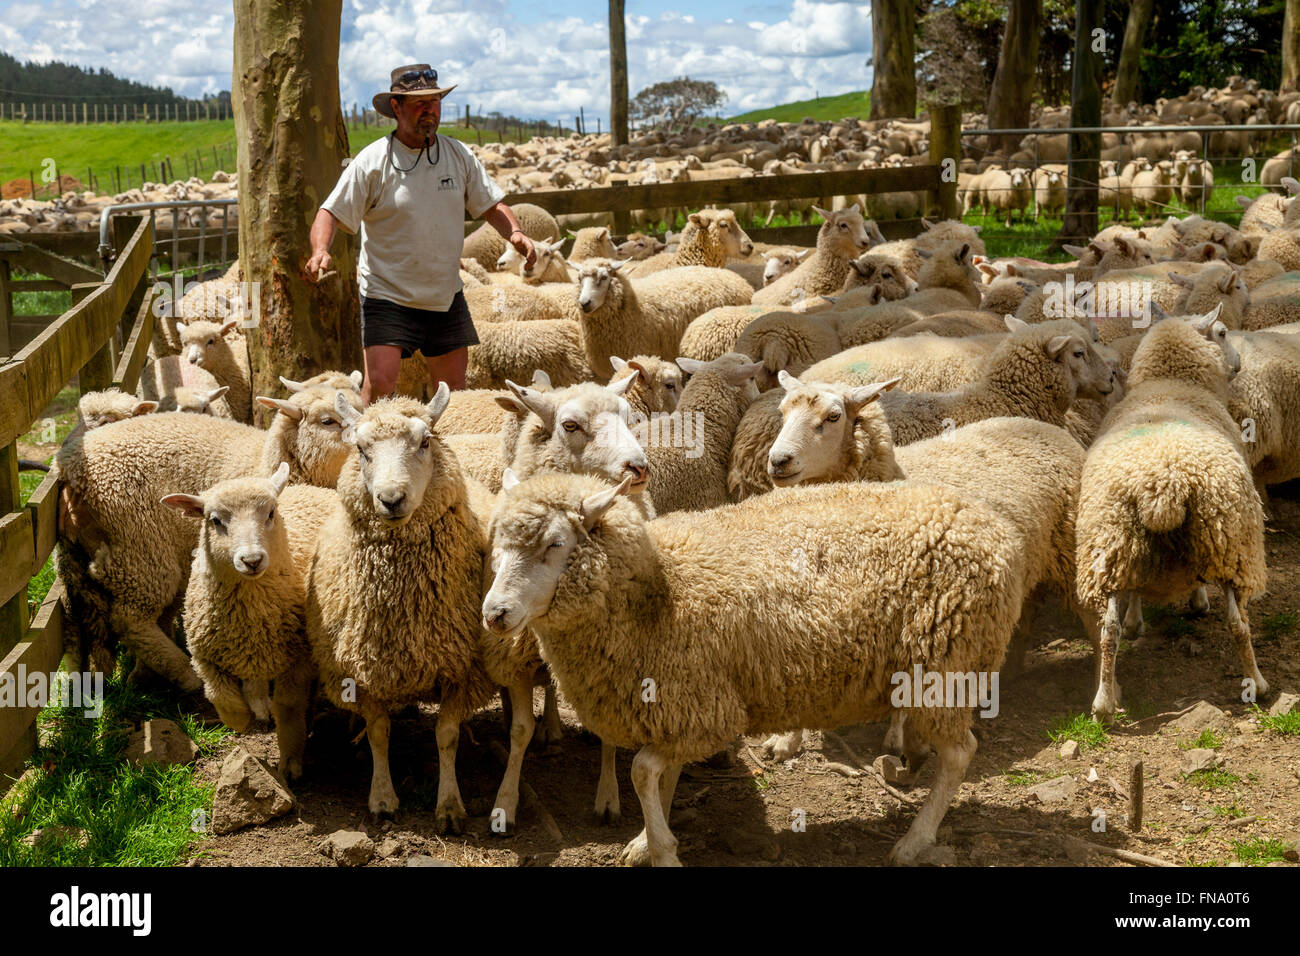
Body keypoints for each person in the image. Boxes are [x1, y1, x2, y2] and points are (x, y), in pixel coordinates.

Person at [305, 64, 535, 402]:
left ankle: (448, 452)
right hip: (387, 293)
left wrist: (513, 231)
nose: (429, 111)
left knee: (455, 395)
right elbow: (330, 211)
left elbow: (491, 204)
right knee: (381, 386)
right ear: (396, 108)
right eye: (419, 104)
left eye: (435, 102)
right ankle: (366, 451)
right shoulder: (373, 161)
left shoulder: (458, 155)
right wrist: (320, 250)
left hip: (443, 293)